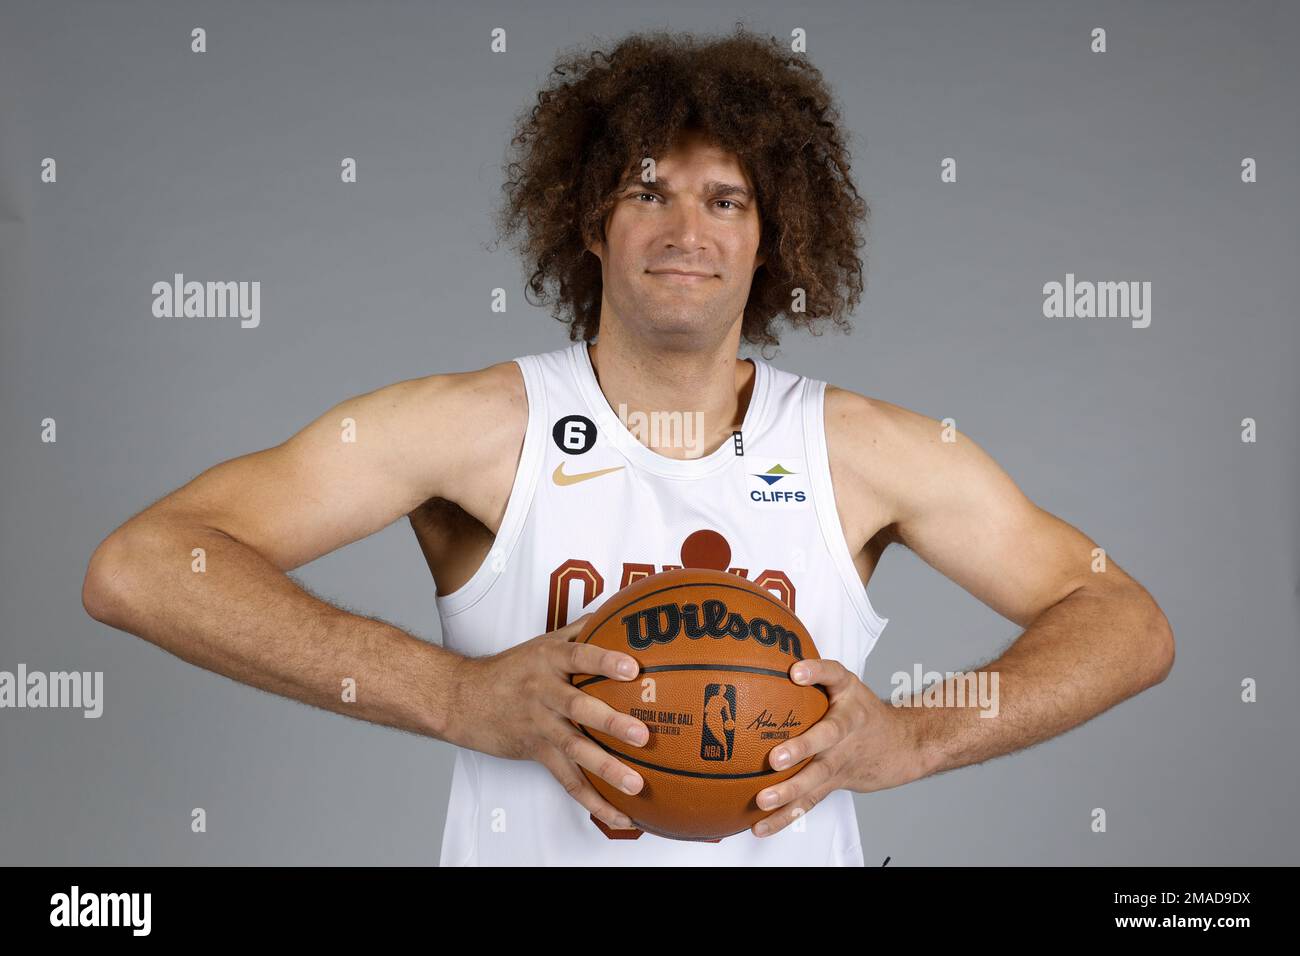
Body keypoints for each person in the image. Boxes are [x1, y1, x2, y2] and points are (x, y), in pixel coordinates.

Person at [82, 29, 1174, 866]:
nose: (683, 229)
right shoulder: (473, 429)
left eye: (724, 198)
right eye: (644, 188)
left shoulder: (869, 451)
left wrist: (913, 738)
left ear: (771, 236)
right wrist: (454, 694)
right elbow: (144, 563)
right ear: (588, 220)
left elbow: (1123, 620)